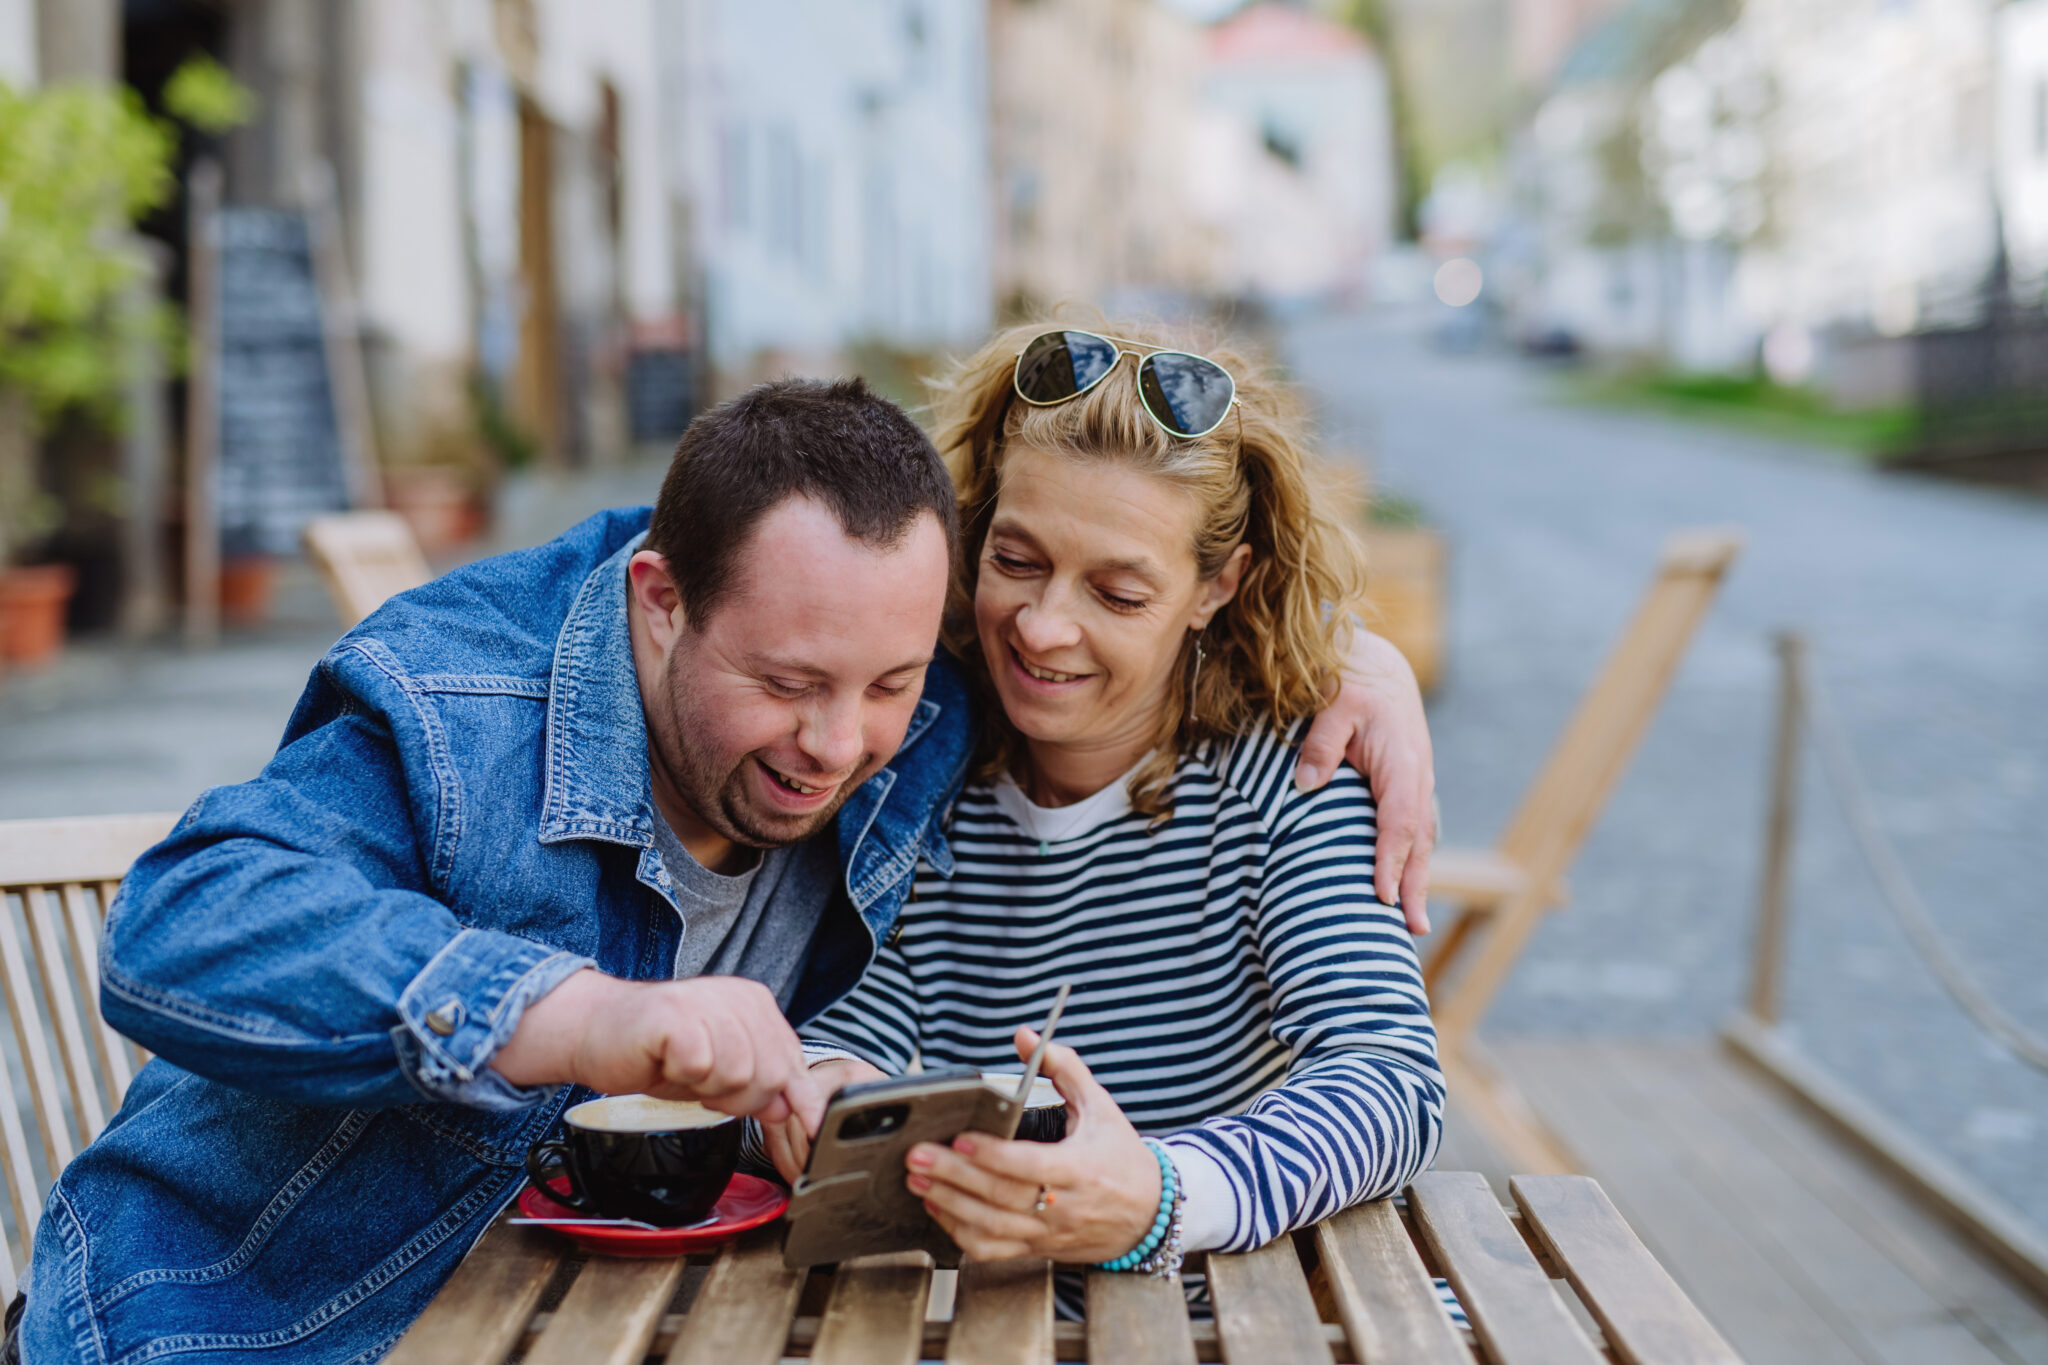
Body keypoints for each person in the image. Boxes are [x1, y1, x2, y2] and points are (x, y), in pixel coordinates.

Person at [14, 376, 1433, 1363]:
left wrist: (1344, 662)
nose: (841, 747)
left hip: (613, 1319)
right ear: (661, 597)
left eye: (889, 682)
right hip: (262, 1326)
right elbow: (182, 921)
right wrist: (568, 1017)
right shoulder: (459, 703)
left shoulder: (925, 672)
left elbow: (1104, 619)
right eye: (787, 681)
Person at [770, 322, 1444, 1289]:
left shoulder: (1285, 774)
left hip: (1232, 1312)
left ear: (1218, 585)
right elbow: (853, 1020)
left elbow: (1387, 1079)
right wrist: (820, 1094)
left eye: (1119, 593)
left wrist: (1160, 1194)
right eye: (1016, 559)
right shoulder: (920, 770)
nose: (1043, 627)